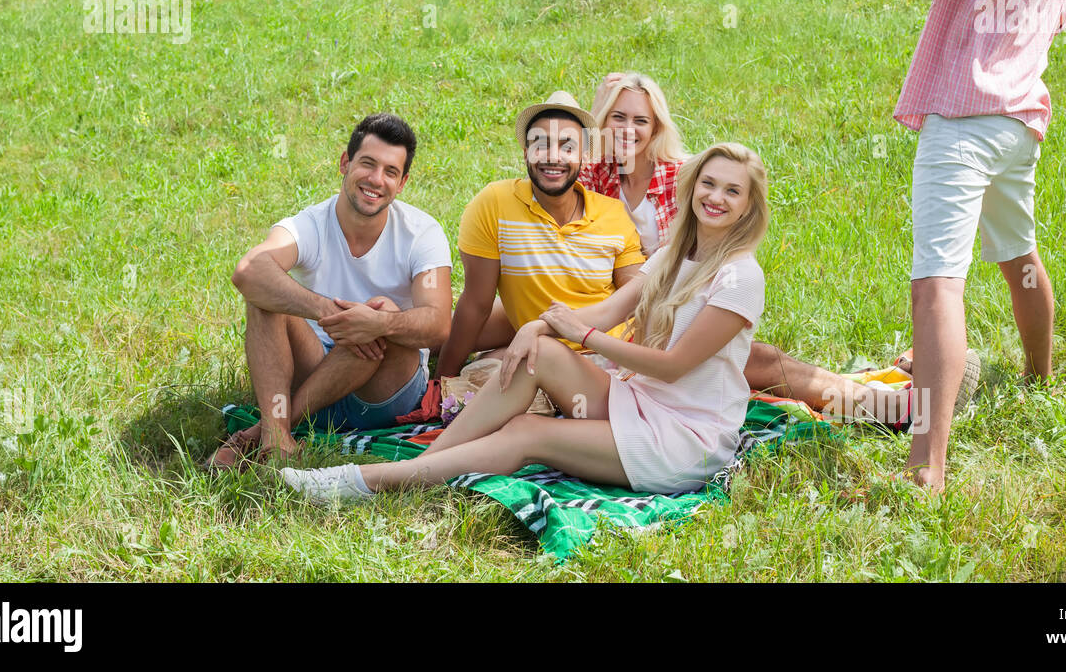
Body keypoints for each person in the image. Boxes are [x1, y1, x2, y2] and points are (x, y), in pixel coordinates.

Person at [753, 0, 1066, 490]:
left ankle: (926, 467)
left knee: (937, 286)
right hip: (1017, 112)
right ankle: (1039, 380)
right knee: (1018, 252)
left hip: (966, 116)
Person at [281, 143, 790, 503]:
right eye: (709, 183)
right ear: (692, 186)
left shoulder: (740, 277)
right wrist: (541, 329)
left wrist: (583, 338)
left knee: (527, 432)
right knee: (538, 355)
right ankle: (425, 463)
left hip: (684, 438)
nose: (716, 198)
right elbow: (610, 311)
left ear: (748, 208)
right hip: (639, 401)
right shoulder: (675, 256)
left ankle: (374, 482)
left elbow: (675, 366)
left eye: (732, 191)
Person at [208, 113, 453, 469]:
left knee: (381, 310)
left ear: (402, 183)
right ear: (344, 163)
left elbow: (438, 323)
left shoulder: (422, 233)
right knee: (263, 297)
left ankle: (271, 428)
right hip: (316, 368)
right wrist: (334, 314)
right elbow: (249, 270)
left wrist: (378, 324)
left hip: (385, 393)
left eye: (390, 172)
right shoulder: (310, 224)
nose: (376, 179)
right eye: (367, 164)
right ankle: (279, 444)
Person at [431, 91, 646, 382]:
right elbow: (476, 303)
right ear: (525, 153)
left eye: (567, 147)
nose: (553, 157)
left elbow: (635, 301)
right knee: (475, 376)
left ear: (583, 157)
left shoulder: (613, 215)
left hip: (601, 356)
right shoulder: (495, 204)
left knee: (496, 383)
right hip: (538, 348)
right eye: (540, 145)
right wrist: (443, 379)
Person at [580, 72, 687, 256]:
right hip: (616, 283)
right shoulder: (600, 172)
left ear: (655, 129)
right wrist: (594, 114)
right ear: (605, 121)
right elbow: (544, 189)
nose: (627, 130)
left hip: (673, 283)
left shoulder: (681, 177)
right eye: (618, 117)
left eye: (640, 121)